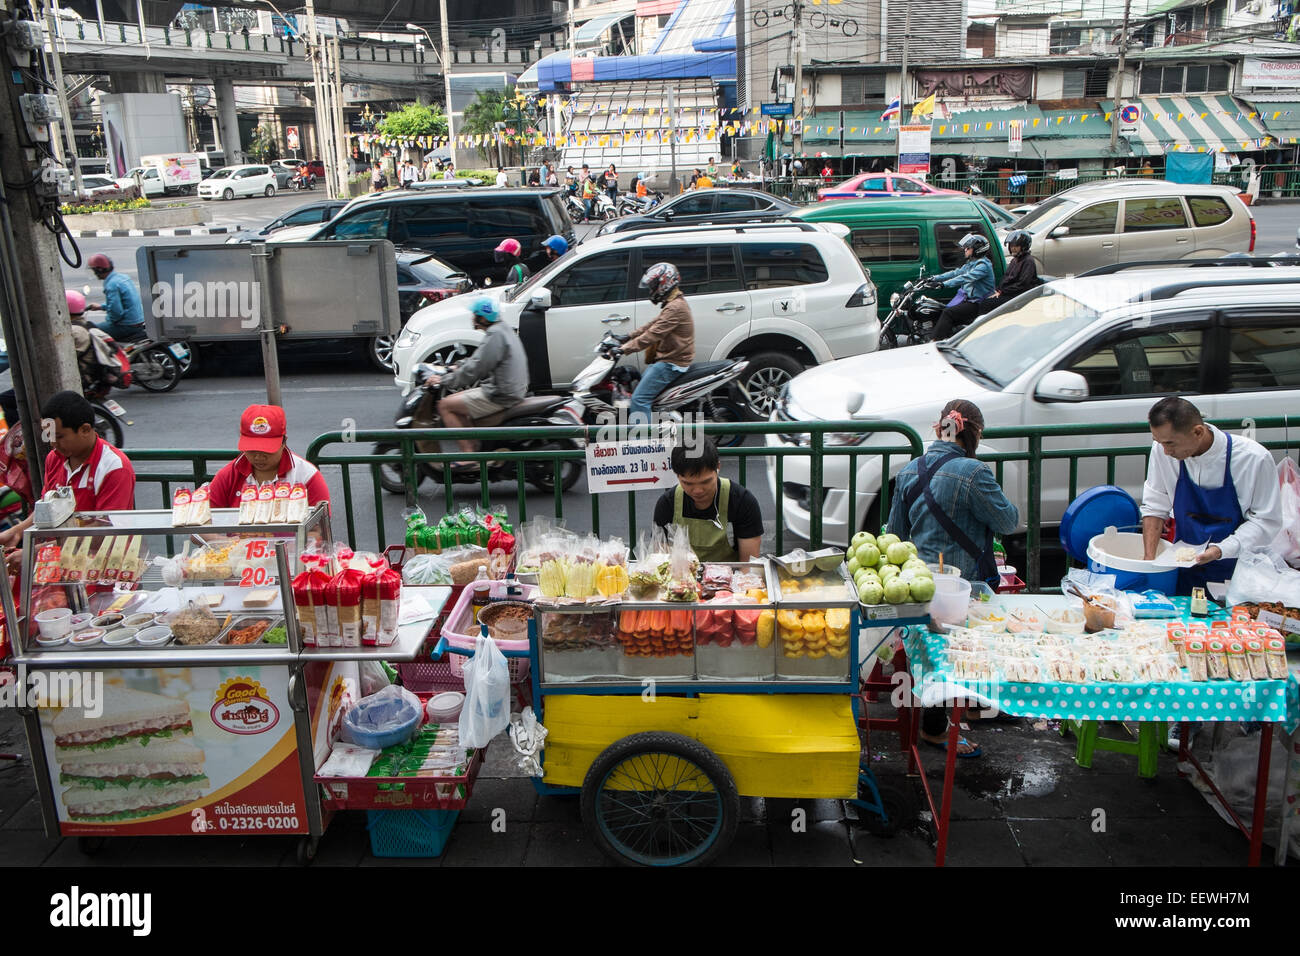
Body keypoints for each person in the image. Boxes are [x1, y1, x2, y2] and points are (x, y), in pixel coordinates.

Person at [888, 400, 1018, 758]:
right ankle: (935, 729)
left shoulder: (910, 470)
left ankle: (973, 707)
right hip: (963, 585)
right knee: (955, 650)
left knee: (936, 651)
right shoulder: (974, 473)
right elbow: (1009, 522)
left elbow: (896, 532)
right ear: (973, 433)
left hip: (919, 583)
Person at [1140, 397, 1281, 594]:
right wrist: (1149, 562)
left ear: (1198, 431)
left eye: (1170, 443)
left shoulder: (1254, 458)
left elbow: (1265, 522)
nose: (1165, 451)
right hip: (1184, 570)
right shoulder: (1163, 452)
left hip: (1239, 572)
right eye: (1159, 442)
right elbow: (1155, 505)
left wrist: (1220, 550)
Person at [0, 390, 136, 559]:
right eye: (49, 436)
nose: (52, 443)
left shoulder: (115, 466)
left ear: (85, 429)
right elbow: (49, 507)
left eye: (59, 436)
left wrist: (36, 552)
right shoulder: (54, 458)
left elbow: (105, 531)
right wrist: (18, 532)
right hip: (63, 565)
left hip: (104, 567)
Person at [430, 297, 528, 465]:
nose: (472, 318)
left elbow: (476, 368)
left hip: (501, 394)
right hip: (508, 388)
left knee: (445, 405)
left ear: (482, 318)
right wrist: (456, 367)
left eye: (474, 315)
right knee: (459, 400)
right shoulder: (502, 329)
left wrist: (445, 380)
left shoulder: (495, 334)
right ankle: (474, 445)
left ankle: (468, 453)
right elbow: (479, 359)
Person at [654, 438, 763, 562]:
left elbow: (749, 566)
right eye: (688, 484)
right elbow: (660, 560)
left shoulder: (742, 501)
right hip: (682, 579)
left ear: (718, 467)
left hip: (731, 577)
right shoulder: (667, 503)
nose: (697, 491)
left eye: (706, 482)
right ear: (677, 475)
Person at [208, 404, 330, 510]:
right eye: (251, 449)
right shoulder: (228, 475)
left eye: (266, 450)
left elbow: (319, 530)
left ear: (284, 443)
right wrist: (220, 538)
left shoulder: (307, 475)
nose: (258, 456)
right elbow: (201, 525)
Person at [617, 262, 694, 426]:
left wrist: (623, 349)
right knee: (638, 387)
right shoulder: (673, 303)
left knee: (639, 399)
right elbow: (653, 325)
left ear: (665, 283)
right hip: (666, 359)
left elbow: (652, 335)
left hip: (671, 363)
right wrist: (627, 336)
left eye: (653, 286)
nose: (651, 290)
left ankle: (642, 443)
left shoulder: (675, 307)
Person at [929, 233, 997, 341]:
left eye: (968, 248)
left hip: (979, 302)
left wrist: (943, 284)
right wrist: (934, 278)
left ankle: (934, 342)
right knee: (940, 309)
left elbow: (965, 277)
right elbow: (956, 273)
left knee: (948, 313)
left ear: (977, 250)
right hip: (969, 299)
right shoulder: (972, 263)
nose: (965, 250)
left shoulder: (983, 266)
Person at [85, 254, 146, 343]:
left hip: (126, 325)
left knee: (90, 332)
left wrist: (109, 321)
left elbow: (116, 313)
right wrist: (101, 307)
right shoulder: (123, 278)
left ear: (99, 270)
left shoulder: (111, 285)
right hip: (138, 321)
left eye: (94, 271)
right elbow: (124, 303)